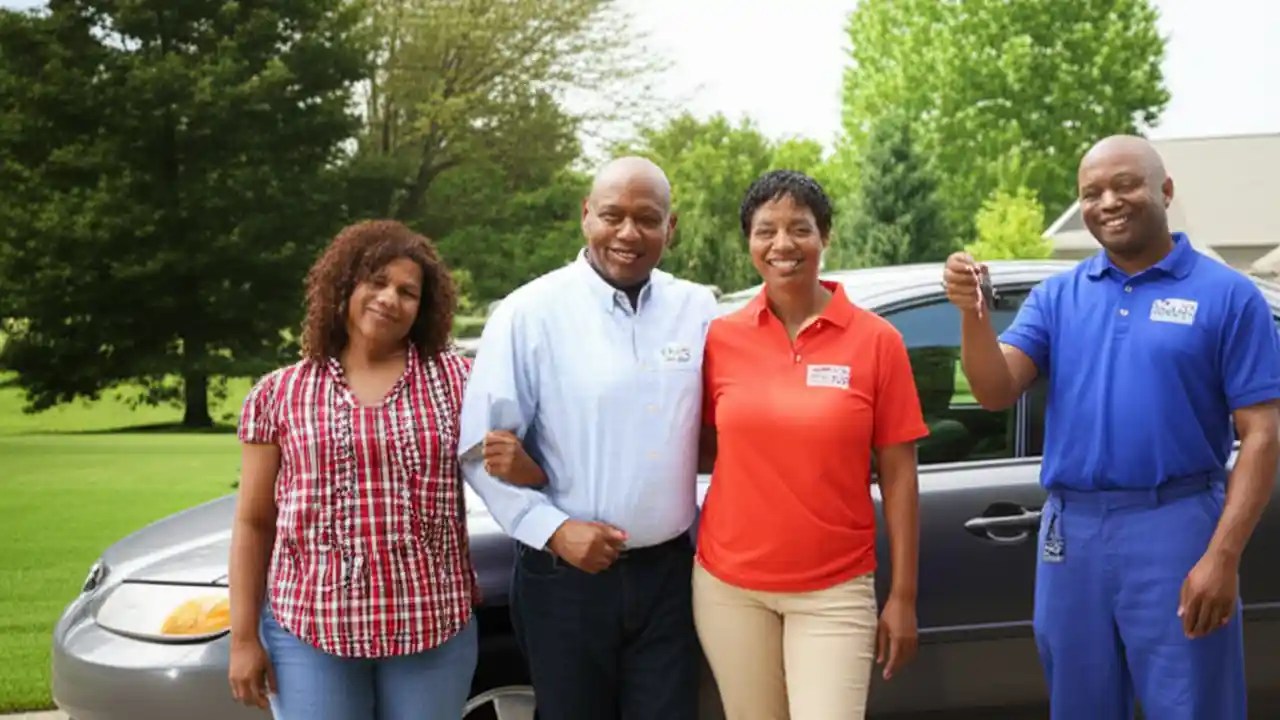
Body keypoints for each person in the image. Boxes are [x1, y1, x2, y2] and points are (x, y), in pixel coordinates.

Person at [945, 135, 1280, 719]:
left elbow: (1262, 434)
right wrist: (973, 315)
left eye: (1125, 185)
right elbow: (995, 390)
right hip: (1072, 534)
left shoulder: (1227, 295)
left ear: (1165, 191)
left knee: (1192, 704)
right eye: (1092, 193)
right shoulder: (1057, 297)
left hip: (1176, 524)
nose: (1109, 202)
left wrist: (1222, 556)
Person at [226, 220, 534, 719]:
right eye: (377, 282)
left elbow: (512, 470)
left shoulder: (459, 383)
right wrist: (243, 639)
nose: (391, 298)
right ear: (344, 286)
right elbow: (254, 521)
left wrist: (524, 466)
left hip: (431, 629)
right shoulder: (279, 394)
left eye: (408, 291)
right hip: (310, 633)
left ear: (423, 308)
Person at [458, 156, 717, 720]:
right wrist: (554, 531)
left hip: (670, 575)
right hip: (565, 580)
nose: (628, 233)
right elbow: (479, 451)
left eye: (647, 218)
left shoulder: (697, 309)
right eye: (612, 215)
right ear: (585, 217)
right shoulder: (529, 313)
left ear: (670, 228)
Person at [692, 169, 927, 720]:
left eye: (800, 229)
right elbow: (704, 445)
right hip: (729, 588)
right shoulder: (720, 339)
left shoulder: (877, 342)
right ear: (748, 241)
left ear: (826, 236)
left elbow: (899, 476)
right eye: (765, 230)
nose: (782, 245)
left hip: (834, 590)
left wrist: (904, 596)